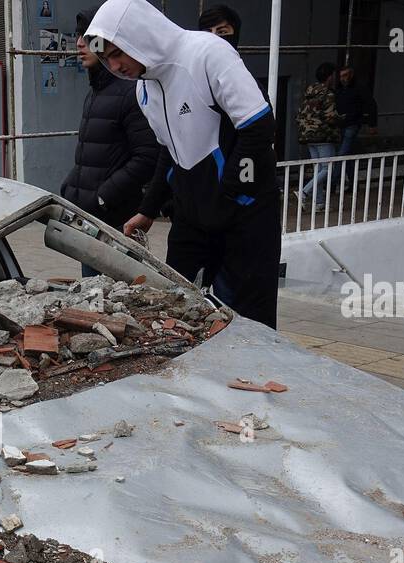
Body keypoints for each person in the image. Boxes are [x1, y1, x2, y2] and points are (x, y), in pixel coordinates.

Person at [86, 0, 281, 328]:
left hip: (244, 215)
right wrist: (148, 210)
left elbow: (259, 126)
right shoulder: (144, 89)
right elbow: (169, 152)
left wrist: (235, 191)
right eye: (106, 59)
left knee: (248, 323)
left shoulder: (207, 53)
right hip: (192, 217)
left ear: (140, 36)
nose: (115, 66)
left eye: (118, 53)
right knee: (176, 311)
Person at [61, 6, 160, 271]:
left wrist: (103, 197)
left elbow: (148, 156)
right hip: (90, 222)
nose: (79, 43)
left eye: (88, 37)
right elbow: (91, 154)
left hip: (116, 224)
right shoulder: (95, 93)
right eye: (78, 36)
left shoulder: (130, 92)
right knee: (92, 292)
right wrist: (70, 187)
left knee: (113, 293)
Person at [295, 62, 341, 211]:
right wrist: (342, 119)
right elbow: (330, 117)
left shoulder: (309, 93)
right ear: (330, 76)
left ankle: (319, 203)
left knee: (319, 169)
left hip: (307, 135)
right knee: (327, 168)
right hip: (323, 135)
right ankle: (304, 192)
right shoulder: (328, 94)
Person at [334, 64, 377, 168]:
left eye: (345, 75)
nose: (342, 79)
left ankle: (334, 177)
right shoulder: (339, 89)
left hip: (352, 123)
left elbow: (371, 105)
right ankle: (351, 176)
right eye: (341, 76)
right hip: (341, 124)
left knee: (342, 154)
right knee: (346, 153)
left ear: (351, 75)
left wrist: (372, 124)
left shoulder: (359, 88)